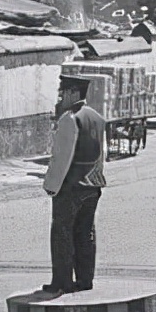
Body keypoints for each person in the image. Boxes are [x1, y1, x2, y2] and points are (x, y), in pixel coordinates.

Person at [42, 76, 107, 294]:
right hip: (93, 185)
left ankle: (62, 282)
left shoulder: (69, 119)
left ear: (73, 93)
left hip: (71, 186)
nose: (61, 97)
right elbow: (101, 156)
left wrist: (52, 184)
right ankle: (85, 279)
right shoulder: (97, 117)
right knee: (86, 233)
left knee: (62, 234)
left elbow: (62, 157)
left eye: (64, 93)